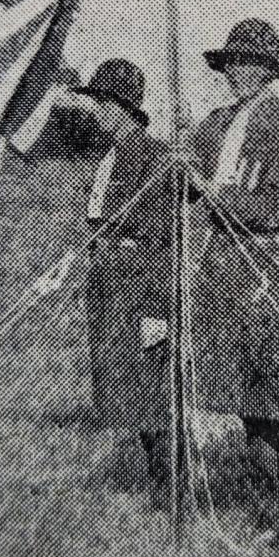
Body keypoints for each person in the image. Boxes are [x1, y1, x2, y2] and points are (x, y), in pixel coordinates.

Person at [188, 19, 279, 545]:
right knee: (246, 405)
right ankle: (274, 514)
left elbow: (272, 208)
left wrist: (213, 192)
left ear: (269, 71)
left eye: (249, 64)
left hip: (271, 277)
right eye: (231, 64)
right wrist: (180, 167)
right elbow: (188, 188)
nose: (237, 73)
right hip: (223, 276)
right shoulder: (214, 124)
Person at [71, 60, 173, 495]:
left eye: (102, 102)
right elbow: (98, 225)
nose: (96, 111)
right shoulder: (108, 158)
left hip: (139, 284)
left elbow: (160, 236)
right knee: (122, 383)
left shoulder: (153, 155)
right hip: (108, 282)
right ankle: (157, 480)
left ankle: (172, 486)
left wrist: (155, 308)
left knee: (151, 387)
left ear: (123, 107)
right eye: (95, 102)